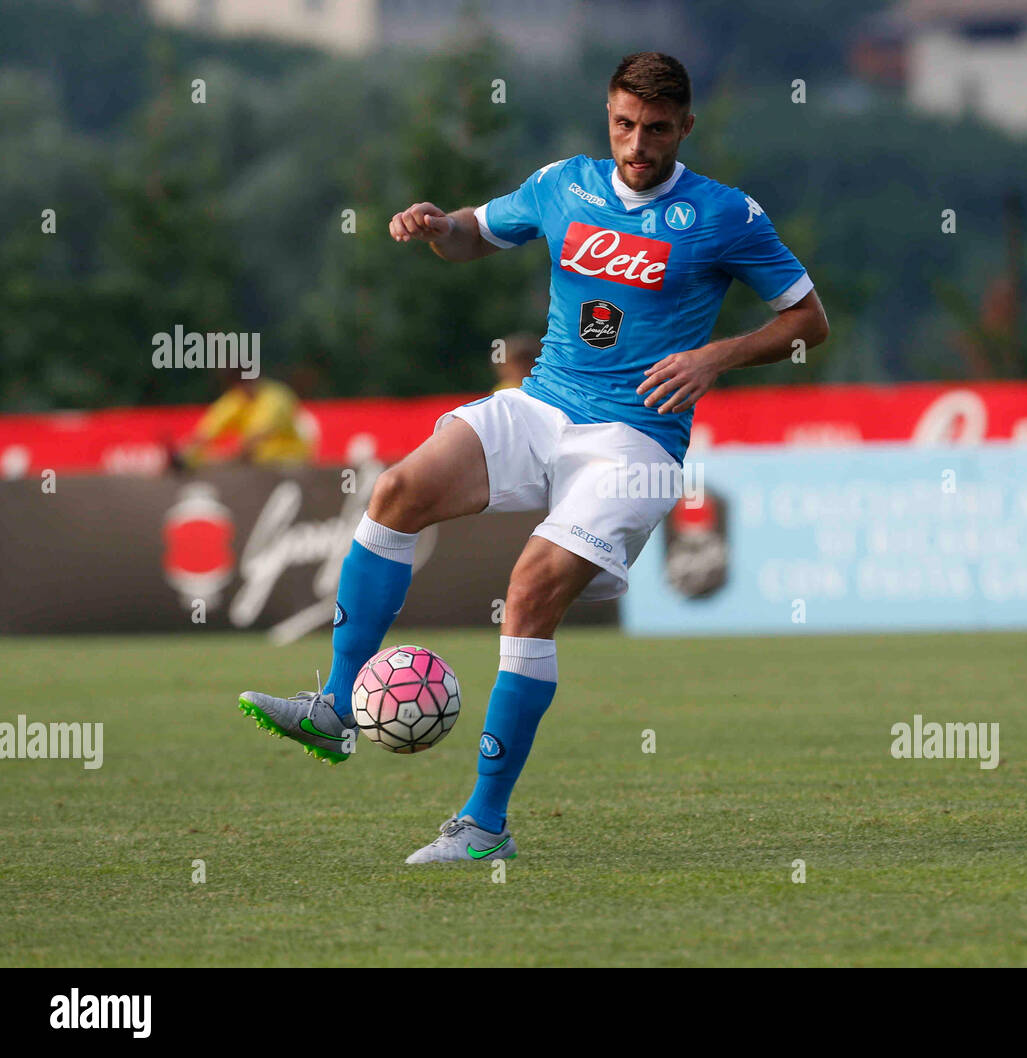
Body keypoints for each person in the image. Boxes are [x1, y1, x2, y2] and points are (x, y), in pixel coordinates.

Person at [237, 52, 829, 864]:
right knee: (399, 490)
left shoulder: (726, 215)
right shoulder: (563, 184)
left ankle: (483, 826)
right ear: (609, 117)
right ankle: (335, 706)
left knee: (529, 589)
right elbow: (476, 234)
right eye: (624, 124)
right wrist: (436, 226)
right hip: (543, 404)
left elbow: (807, 320)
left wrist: (715, 357)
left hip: (636, 442)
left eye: (657, 129)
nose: (637, 144)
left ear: (684, 128)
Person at [176, 371, 313, 467]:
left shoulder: (276, 398)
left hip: (289, 462)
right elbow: (205, 434)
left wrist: (213, 459)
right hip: (259, 465)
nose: (243, 385)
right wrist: (184, 452)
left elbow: (252, 443)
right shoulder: (235, 399)